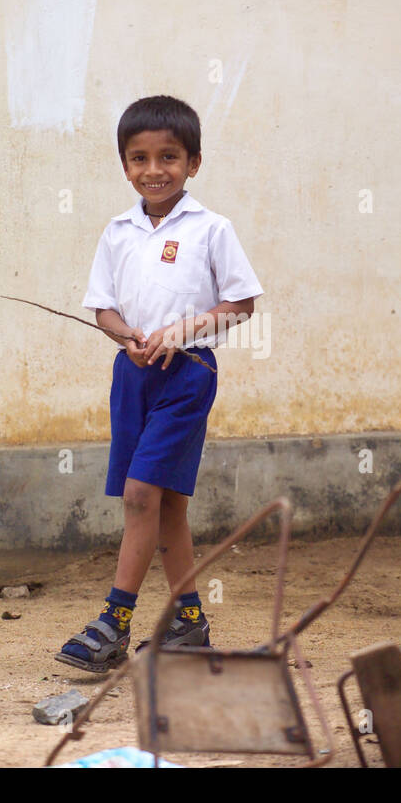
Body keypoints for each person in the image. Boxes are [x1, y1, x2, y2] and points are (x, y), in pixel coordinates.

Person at [56, 96, 264, 673]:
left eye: (169, 157)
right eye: (140, 158)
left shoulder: (210, 229)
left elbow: (241, 304)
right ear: (124, 165)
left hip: (187, 376)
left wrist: (184, 330)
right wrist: (128, 337)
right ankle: (189, 622)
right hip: (133, 376)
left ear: (193, 163)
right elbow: (103, 310)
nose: (154, 170)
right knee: (167, 503)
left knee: (140, 495)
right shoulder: (117, 232)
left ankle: (113, 622)